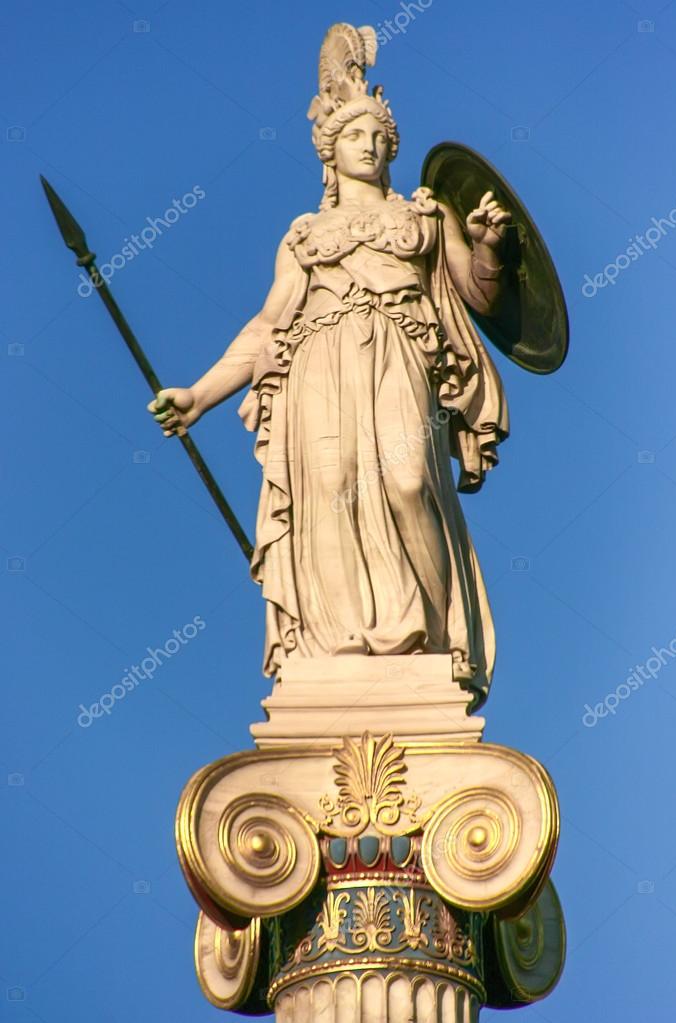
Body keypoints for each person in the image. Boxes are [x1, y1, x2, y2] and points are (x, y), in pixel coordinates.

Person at [148, 23, 510, 709]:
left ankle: (431, 642)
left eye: (378, 137)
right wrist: (200, 394)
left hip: (399, 353)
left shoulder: (423, 218)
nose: (369, 146)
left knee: (406, 482)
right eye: (354, 136)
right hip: (317, 358)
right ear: (328, 148)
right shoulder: (305, 236)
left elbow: (481, 295)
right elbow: (265, 326)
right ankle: (340, 640)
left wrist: (489, 245)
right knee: (327, 483)